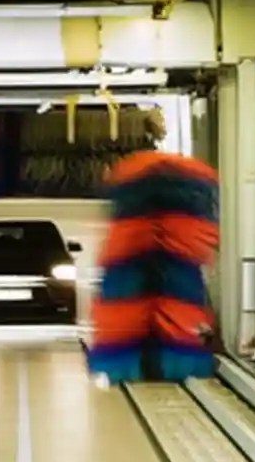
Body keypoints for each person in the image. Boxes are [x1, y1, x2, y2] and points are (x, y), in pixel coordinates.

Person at [88, 109, 219, 383]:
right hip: (176, 255)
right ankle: (173, 365)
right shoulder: (189, 173)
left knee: (130, 305)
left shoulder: (129, 173)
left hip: (133, 255)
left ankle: (134, 367)